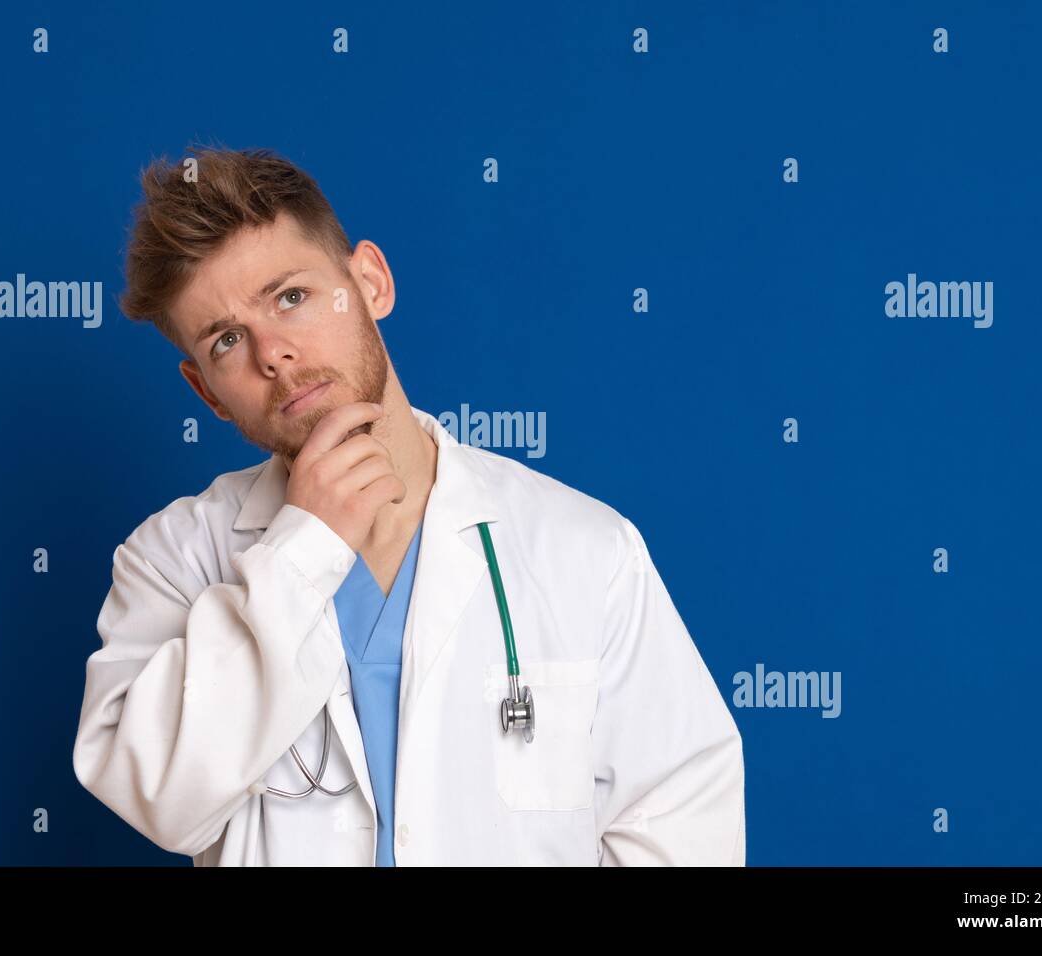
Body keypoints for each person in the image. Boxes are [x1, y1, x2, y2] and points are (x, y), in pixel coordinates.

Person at [72, 145, 746, 866]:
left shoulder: (584, 549)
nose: (273, 354)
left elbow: (682, 825)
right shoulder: (173, 560)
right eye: (228, 340)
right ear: (206, 391)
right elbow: (158, 798)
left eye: (290, 297)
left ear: (369, 283)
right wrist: (303, 550)